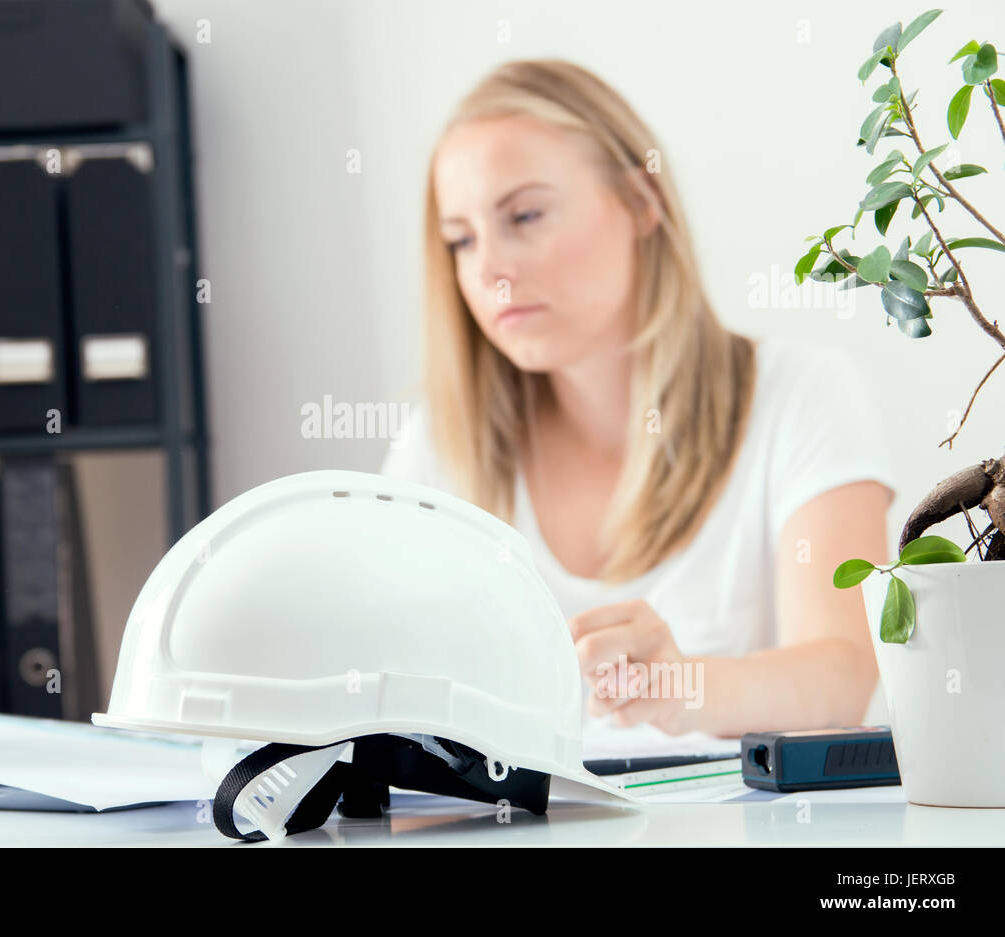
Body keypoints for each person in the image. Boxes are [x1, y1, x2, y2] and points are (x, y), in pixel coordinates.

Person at [380, 59, 898, 738]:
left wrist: (680, 686)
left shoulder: (802, 394)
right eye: (461, 239)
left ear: (641, 203)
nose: (488, 270)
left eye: (526, 215)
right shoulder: (438, 446)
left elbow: (844, 675)